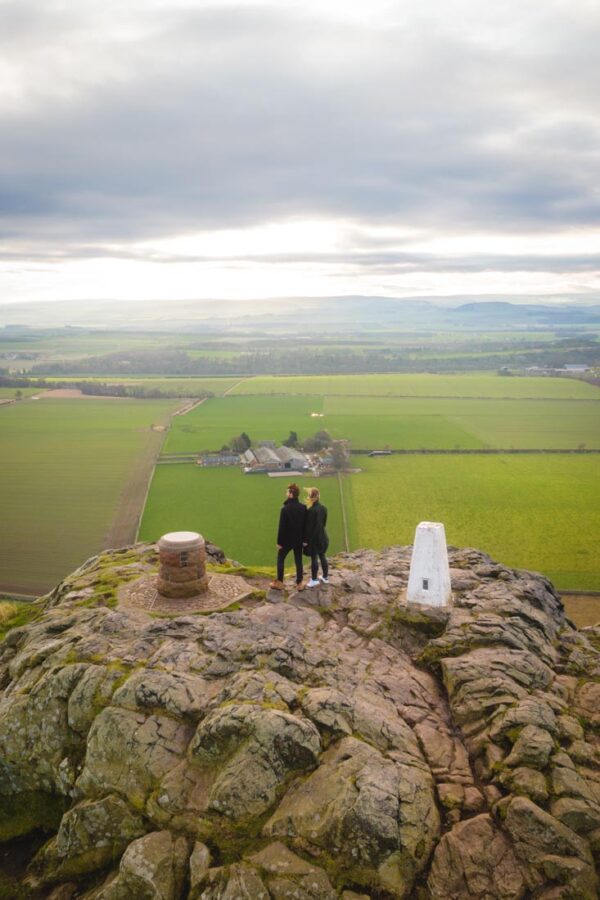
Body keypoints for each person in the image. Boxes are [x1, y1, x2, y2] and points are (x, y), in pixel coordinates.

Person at [270, 483, 306, 591]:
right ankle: (299, 583)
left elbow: (282, 527)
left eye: (287, 491)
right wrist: (305, 539)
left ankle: (280, 582)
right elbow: (305, 525)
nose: (286, 493)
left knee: (280, 559)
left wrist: (279, 543)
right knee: (298, 560)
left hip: (287, 541)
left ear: (291, 494)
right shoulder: (303, 508)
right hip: (299, 540)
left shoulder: (285, 509)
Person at [303, 486, 329, 587]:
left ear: (310, 497)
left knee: (314, 558)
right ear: (318, 496)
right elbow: (324, 524)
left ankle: (314, 580)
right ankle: (325, 577)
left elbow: (308, 528)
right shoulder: (324, 508)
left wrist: (305, 540)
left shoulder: (310, 511)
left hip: (314, 538)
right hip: (323, 536)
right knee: (322, 556)